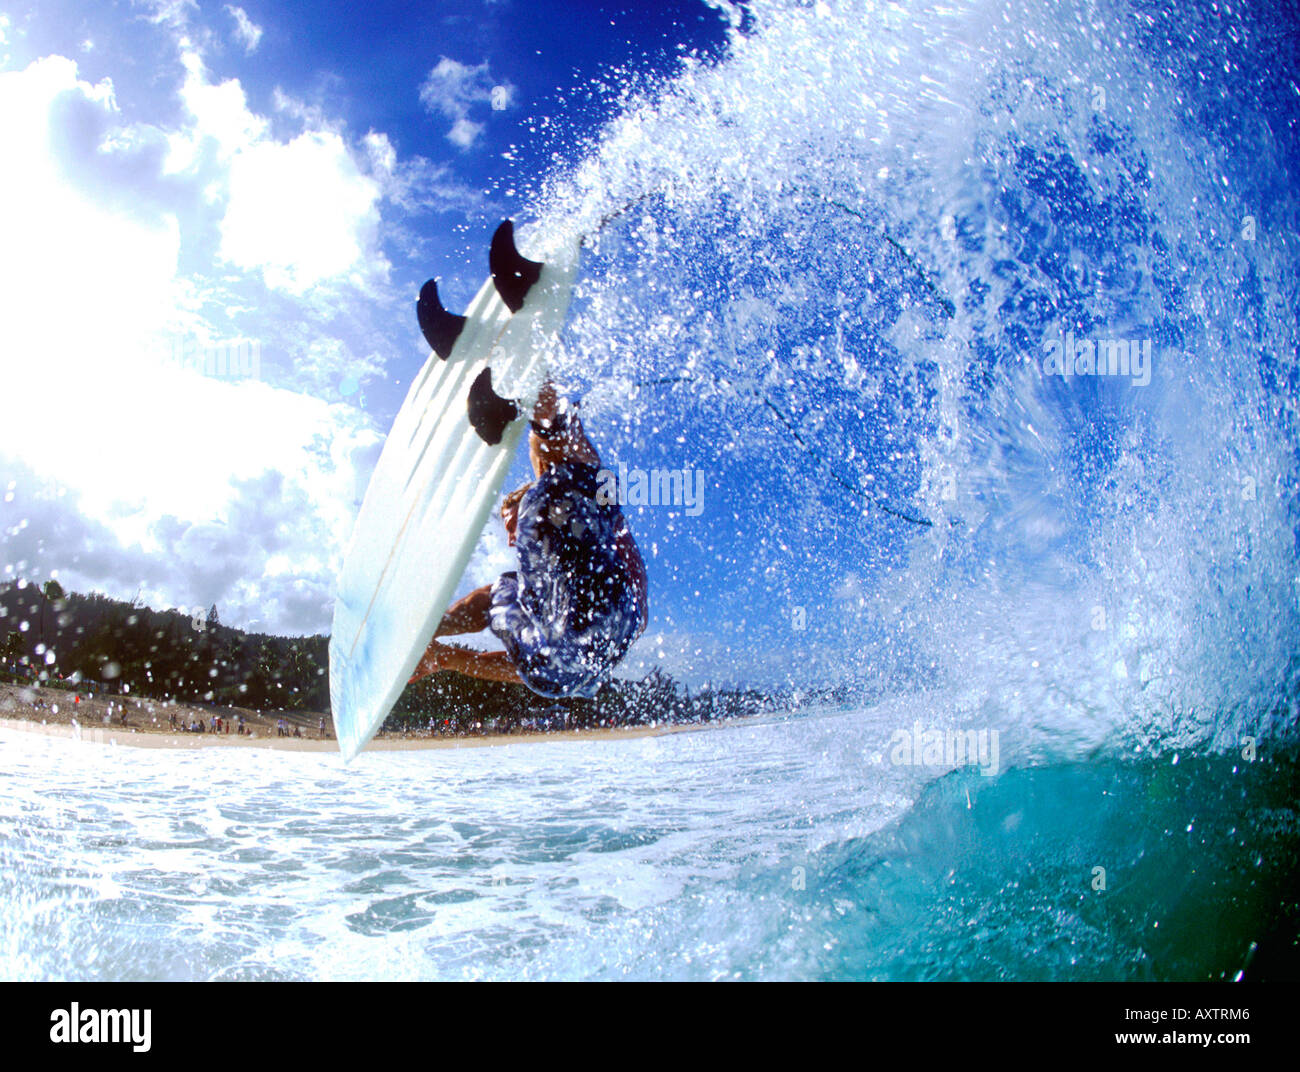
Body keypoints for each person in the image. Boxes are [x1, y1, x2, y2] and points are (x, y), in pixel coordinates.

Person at [410, 381, 648, 698]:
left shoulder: (568, 527)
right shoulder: (554, 621)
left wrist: (428, 639)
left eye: (510, 526)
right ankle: (543, 402)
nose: (512, 540)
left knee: (502, 588)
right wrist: (447, 658)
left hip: (607, 613)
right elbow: (533, 668)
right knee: (577, 480)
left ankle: (541, 399)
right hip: (584, 657)